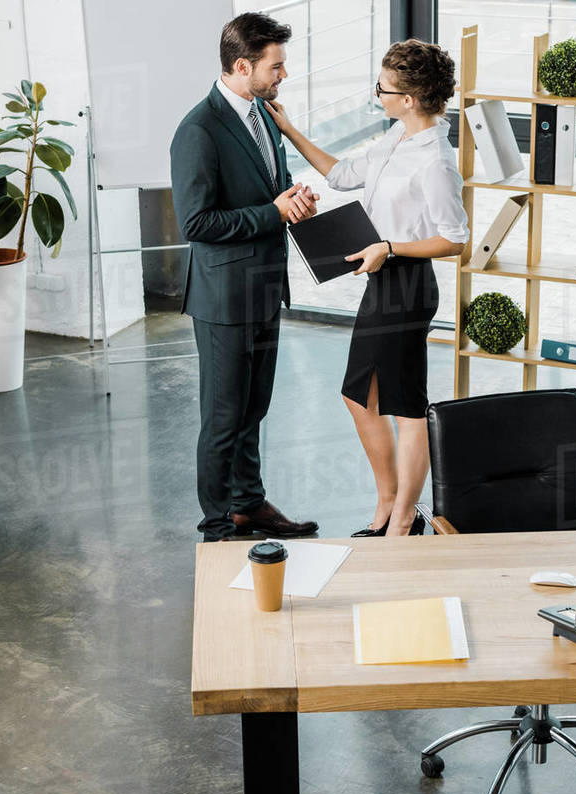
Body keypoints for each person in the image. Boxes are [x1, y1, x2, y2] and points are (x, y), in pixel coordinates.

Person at [266, 39, 468, 537]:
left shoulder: (436, 161)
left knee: (406, 406)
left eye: (383, 88)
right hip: (383, 284)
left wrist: (391, 248)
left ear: (410, 99)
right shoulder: (395, 137)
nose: (377, 94)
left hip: (408, 286)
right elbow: (340, 174)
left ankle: (400, 519)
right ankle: (389, 501)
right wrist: (289, 129)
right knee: (361, 397)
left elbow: (455, 240)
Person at [170, 12, 321, 543]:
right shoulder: (198, 130)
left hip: (263, 288)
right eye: (275, 66)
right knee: (222, 420)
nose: (283, 75)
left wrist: (291, 196)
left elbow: (266, 188)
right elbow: (196, 223)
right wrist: (272, 213)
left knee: (254, 409)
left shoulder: (261, 113)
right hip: (224, 299)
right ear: (242, 65)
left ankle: (248, 506)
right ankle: (216, 530)